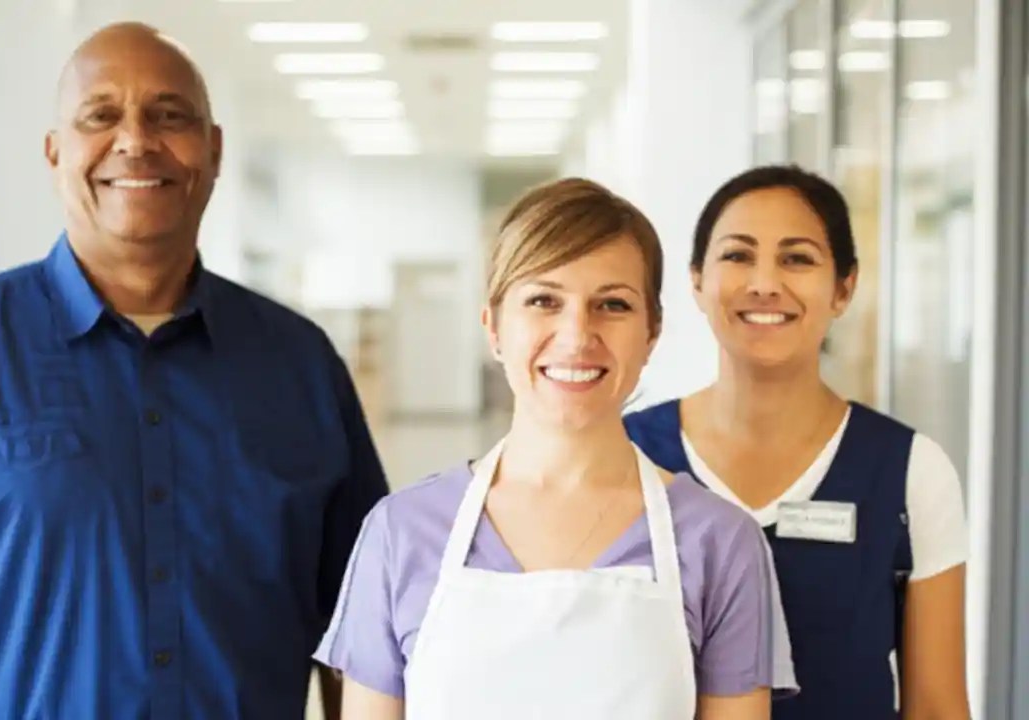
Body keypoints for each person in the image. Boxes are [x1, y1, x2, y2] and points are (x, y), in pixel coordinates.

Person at [0, 22, 387, 719]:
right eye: (100, 116)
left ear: (213, 149)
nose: (136, 141)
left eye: (170, 116)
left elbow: (360, 638)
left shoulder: (301, 365)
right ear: (54, 151)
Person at [314, 178, 797, 719]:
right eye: (543, 300)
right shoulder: (400, 533)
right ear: (494, 326)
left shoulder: (720, 542)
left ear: (651, 334)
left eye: (612, 304)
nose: (576, 335)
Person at [625, 165, 971, 719]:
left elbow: (935, 706)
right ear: (697, 281)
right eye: (738, 255)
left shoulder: (911, 471)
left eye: (797, 258)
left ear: (844, 288)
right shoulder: (626, 456)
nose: (765, 283)